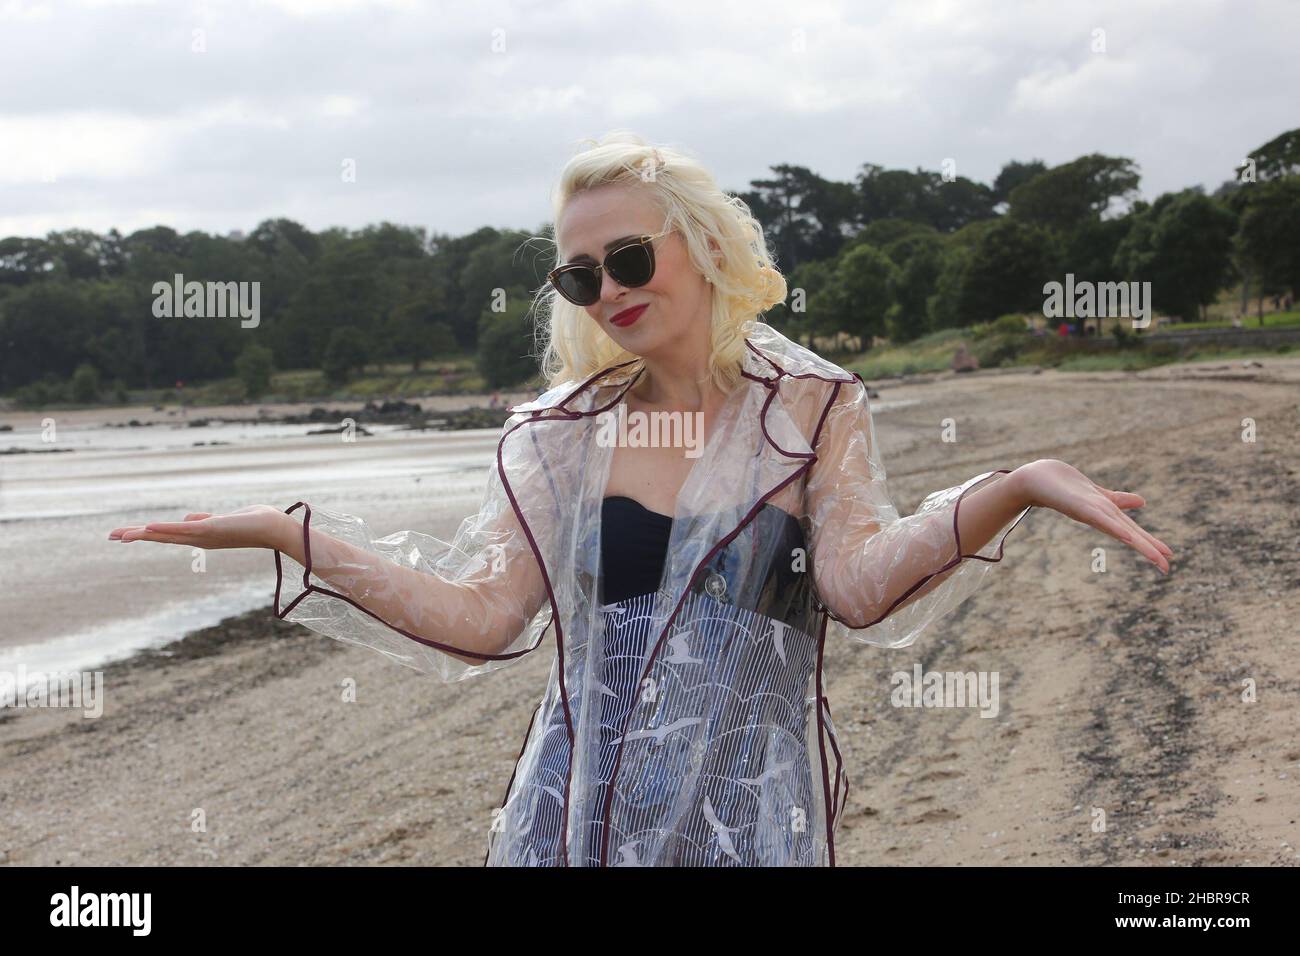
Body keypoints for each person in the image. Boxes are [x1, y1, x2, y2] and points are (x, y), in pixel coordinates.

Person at [108, 132, 1172, 867]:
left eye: (627, 256)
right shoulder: (560, 437)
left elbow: (855, 583)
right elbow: (483, 616)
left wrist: (1015, 486)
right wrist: (294, 535)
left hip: (748, 803)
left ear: (704, 247)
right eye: (580, 276)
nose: (608, 289)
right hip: (578, 811)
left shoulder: (808, 405)